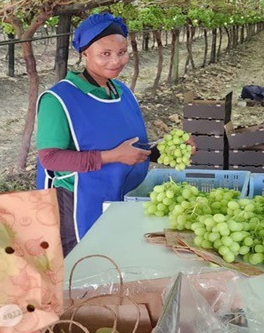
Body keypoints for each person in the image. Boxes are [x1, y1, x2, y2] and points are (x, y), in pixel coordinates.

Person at [36, 13, 166, 255]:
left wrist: (163, 150)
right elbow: (50, 159)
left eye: (122, 52)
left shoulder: (122, 92)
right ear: (85, 54)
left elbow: (132, 147)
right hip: (76, 203)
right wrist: (112, 157)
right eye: (105, 54)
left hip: (119, 195)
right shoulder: (59, 99)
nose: (116, 61)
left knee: (112, 260)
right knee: (82, 268)